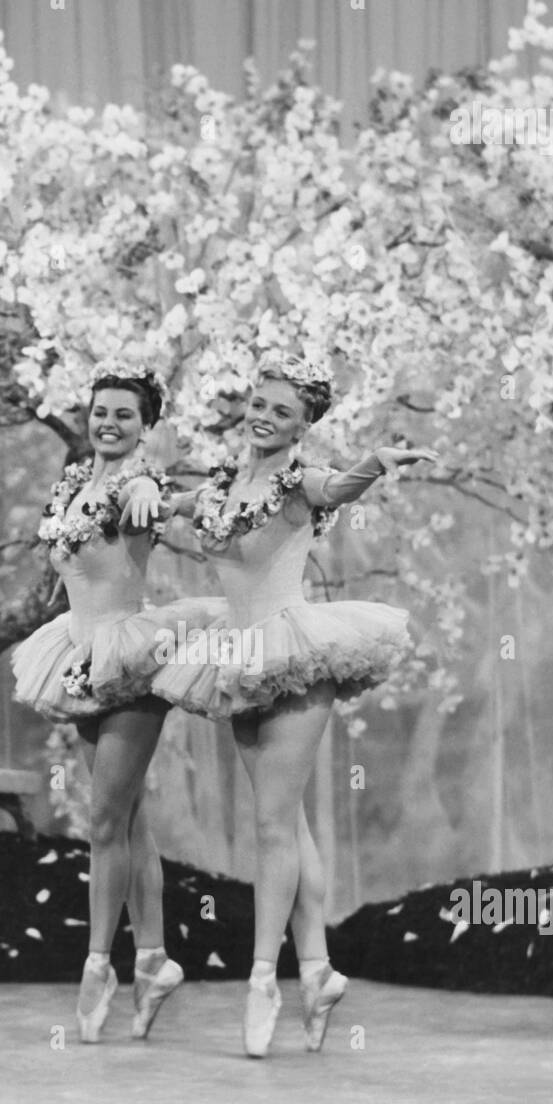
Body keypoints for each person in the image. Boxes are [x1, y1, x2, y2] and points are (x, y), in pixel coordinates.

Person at [137, 352, 437, 1057]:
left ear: (304, 424)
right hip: (235, 659)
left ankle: (262, 980)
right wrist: (142, 492)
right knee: (287, 824)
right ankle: (319, 967)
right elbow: (172, 504)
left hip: (294, 655)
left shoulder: (300, 479)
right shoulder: (223, 483)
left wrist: (377, 460)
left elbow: (337, 487)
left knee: (270, 826)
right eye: (260, 404)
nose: (265, 418)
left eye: (282, 411)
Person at [12, 366, 216, 1044]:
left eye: (124, 415)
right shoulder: (75, 484)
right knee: (127, 821)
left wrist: (147, 489)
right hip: (77, 656)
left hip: (129, 656)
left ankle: (99, 963)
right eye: (101, 411)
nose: (108, 423)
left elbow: (155, 501)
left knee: (103, 819)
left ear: (144, 426)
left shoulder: (137, 484)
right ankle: (154, 959)